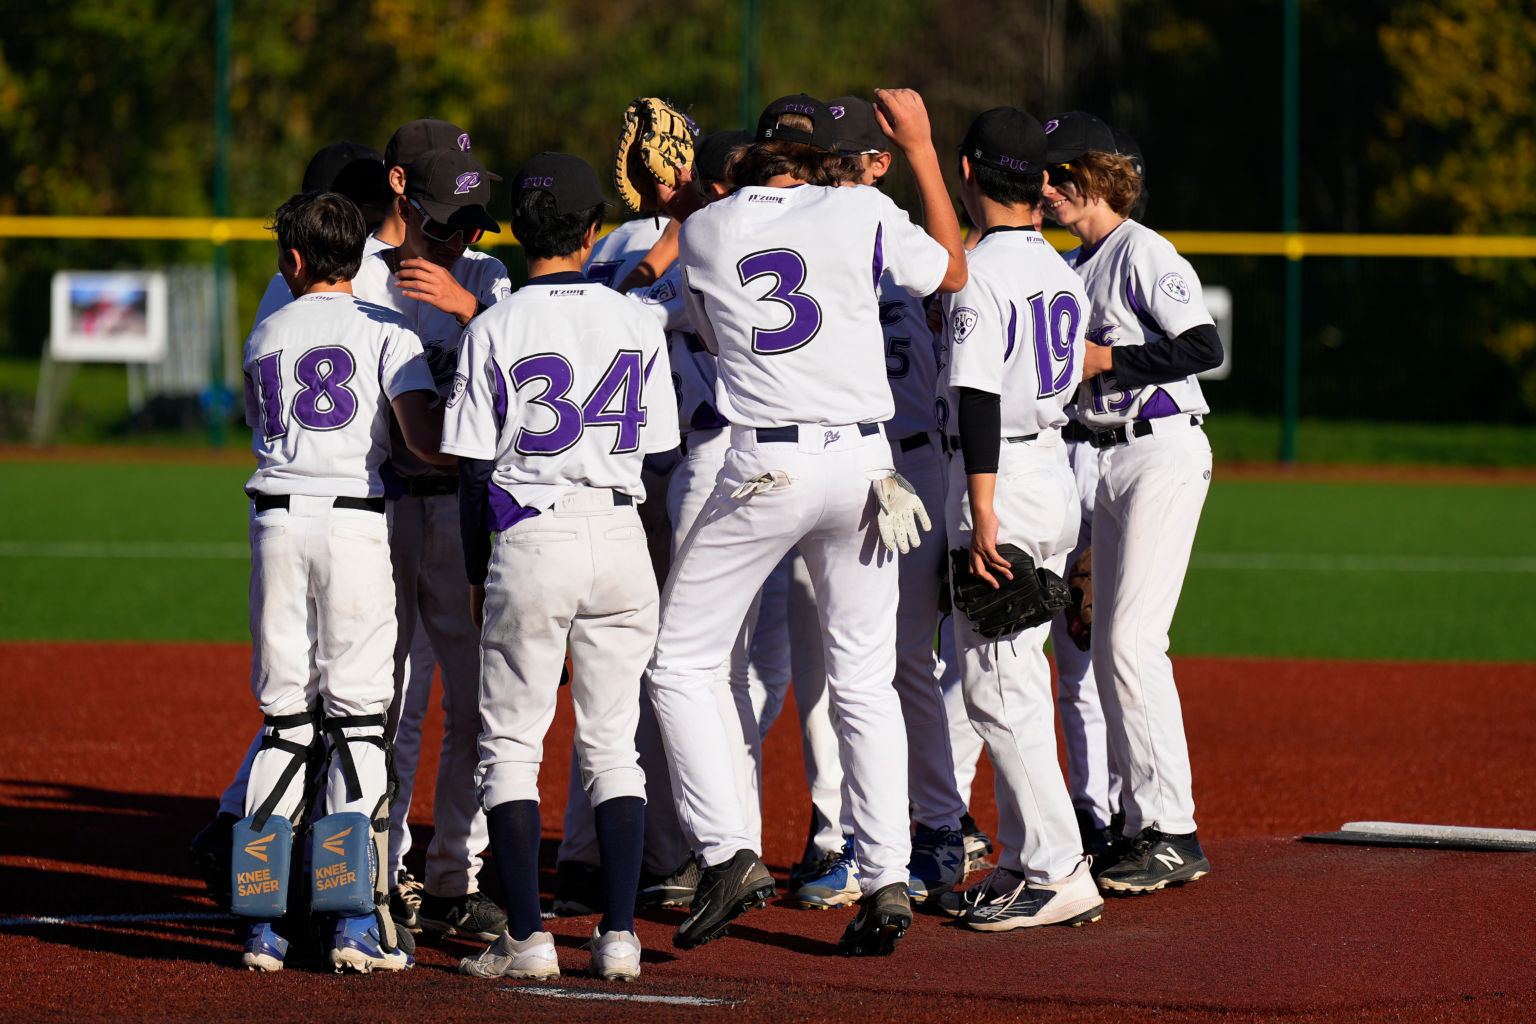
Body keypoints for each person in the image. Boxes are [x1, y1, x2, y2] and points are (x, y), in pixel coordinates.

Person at [646, 90, 966, 956]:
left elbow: (699, 323)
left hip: (767, 462)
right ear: (823, 163)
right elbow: (951, 273)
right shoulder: (860, 207)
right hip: (867, 464)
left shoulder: (705, 230)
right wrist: (921, 149)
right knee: (864, 679)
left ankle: (726, 853)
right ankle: (887, 875)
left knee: (680, 663)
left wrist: (682, 205)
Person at [445, 152, 679, 982]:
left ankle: (527, 938)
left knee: (511, 745)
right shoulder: (636, 320)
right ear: (592, 231)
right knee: (614, 746)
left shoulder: (494, 324)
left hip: (531, 533)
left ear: (515, 230)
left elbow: (473, 470)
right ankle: (618, 936)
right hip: (619, 531)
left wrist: (477, 571)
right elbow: (661, 453)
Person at [233, 190, 448, 971]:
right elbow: (424, 443)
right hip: (355, 523)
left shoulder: (266, 332)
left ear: (292, 260)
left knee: (285, 719)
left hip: (276, 522)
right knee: (358, 720)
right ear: (358, 257)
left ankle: (262, 923)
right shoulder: (389, 330)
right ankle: (351, 918)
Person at [1040, 109, 1223, 893]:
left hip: (1160, 451)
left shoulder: (1142, 250)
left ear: (1095, 177)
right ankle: (1138, 822)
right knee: (1106, 647)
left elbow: (1204, 346)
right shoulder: (1073, 263)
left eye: (1058, 173)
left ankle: (1173, 831)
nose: (1045, 186)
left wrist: (1106, 359)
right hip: (1106, 457)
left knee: (1132, 644)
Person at [930, 107, 1103, 930]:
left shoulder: (981, 271)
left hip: (1002, 479)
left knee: (997, 687)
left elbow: (976, 397)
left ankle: (1060, 870)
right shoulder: (1061, 270)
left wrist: (981, 507)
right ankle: (1024, 858)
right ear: (1039, 182)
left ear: (967, 171)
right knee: (1016, 675)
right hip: (1052, 470)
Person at [351, 141, 512, 939]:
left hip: (459, 507)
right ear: (400, 190)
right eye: (445, 223)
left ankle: (454, 875)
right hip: (382, 506)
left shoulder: (487, 276)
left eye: (472, 224)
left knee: (476, 702)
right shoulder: (352, 269)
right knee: (391, 702)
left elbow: (524, 364)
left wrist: (466, 307)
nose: (459, 239)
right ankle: (383, 874)